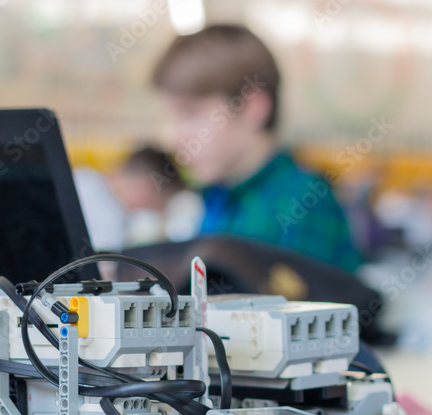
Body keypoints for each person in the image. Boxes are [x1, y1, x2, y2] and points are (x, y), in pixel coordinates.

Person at [151, 24, 362, 272]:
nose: (175, 139)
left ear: (253, 107)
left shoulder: (302, 203)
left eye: (191, 113)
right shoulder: (216, 195)